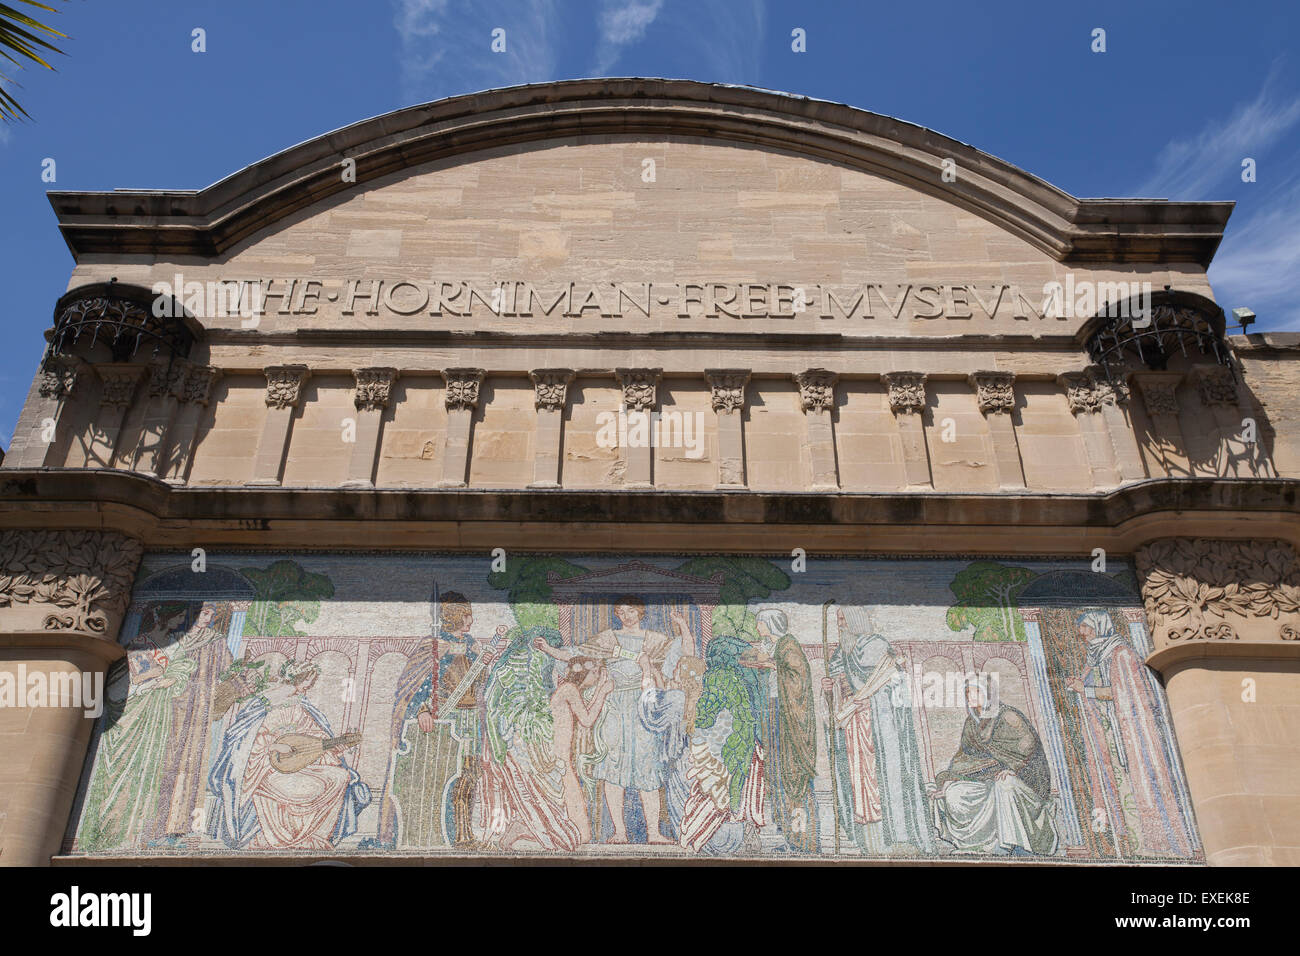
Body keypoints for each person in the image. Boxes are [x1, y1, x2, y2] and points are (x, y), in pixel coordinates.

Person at [533, 596, 690, 844]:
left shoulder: (655, 640)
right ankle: (619, 832)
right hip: (613, 706)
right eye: (621, 612)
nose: (626, 616)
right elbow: (576, 655)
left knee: (647, 765)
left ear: (640, 613)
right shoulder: (607, 638)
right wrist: (548, 650)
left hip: (643, 708)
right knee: (612, 765)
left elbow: (683, 654)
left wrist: (682, 626)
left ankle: (653, 832)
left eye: (630, 611)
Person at [1065, 609, 1195, 857]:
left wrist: (1086, 690)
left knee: (1140, 781)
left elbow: (1122, 693)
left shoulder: (1121, 654)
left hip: (1130, 736)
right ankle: (1129, 842)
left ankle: (1158, 843)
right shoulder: (1096, 656)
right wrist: (1080, 686)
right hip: (1109, 733)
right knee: (1119, 784)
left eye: (1085, 628)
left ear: (1099, 627)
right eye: (1081, 629)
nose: (1082, 634)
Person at [208, 661, 370, 850]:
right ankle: (275, 838)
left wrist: (337, 747)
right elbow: (245, 743)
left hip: (299, 766)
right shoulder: (264, 704)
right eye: (307, 682)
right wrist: (274, 745)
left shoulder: (302, 706)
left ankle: (315, 836)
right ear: (298, 679)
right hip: (264, 768)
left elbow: (315, 740)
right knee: (301, 787)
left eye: (310, 683)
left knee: (340, 776)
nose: (308, 687)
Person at [825, 605, 935, 855]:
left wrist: (873, 702)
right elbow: (840, 688)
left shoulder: (877, 645)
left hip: (882, 729)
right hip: (854, 726)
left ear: (856, 620)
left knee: (886, 778)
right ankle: (867, 837)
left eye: (844, 619)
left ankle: (897, 836)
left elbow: (896, 685)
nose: (840, 624)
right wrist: (830, 690)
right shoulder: (841, 651)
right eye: (838, 620)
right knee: (860, 779)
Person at [930, 677, 1059, 856]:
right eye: (967, 692)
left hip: (1024, 781)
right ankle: (977, 845)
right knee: (954, 792)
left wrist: (1013, 769)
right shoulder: (971, 723)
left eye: (974, 691)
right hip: (987, 780)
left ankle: (1008, 844)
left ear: (988, 693)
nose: (970, 696)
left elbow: (1029, 749)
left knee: (1004, 784)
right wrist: (949, 780)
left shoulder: (1008, 716)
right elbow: (964, 758)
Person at [750, 608, 818, 853]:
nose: (758, 628)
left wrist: (772, 666)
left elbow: (798, 679)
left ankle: (804, 842)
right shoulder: (775, 646)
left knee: (792, 780)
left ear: (770, 624)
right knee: (778, 777)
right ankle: (790, 838)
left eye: (760, 624)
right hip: (775, 714)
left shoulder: (788, 646)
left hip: (787, 720)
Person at [549, 656, 614, 843]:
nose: (596, 677)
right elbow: (586, 720)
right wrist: (602, 691)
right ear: (584, 673)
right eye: (594, 673)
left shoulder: (570, 690)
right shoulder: (569, 690)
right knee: (581, 831)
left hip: (562, 757)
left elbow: (584, 710)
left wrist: (600, 687)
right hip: (559, 758)